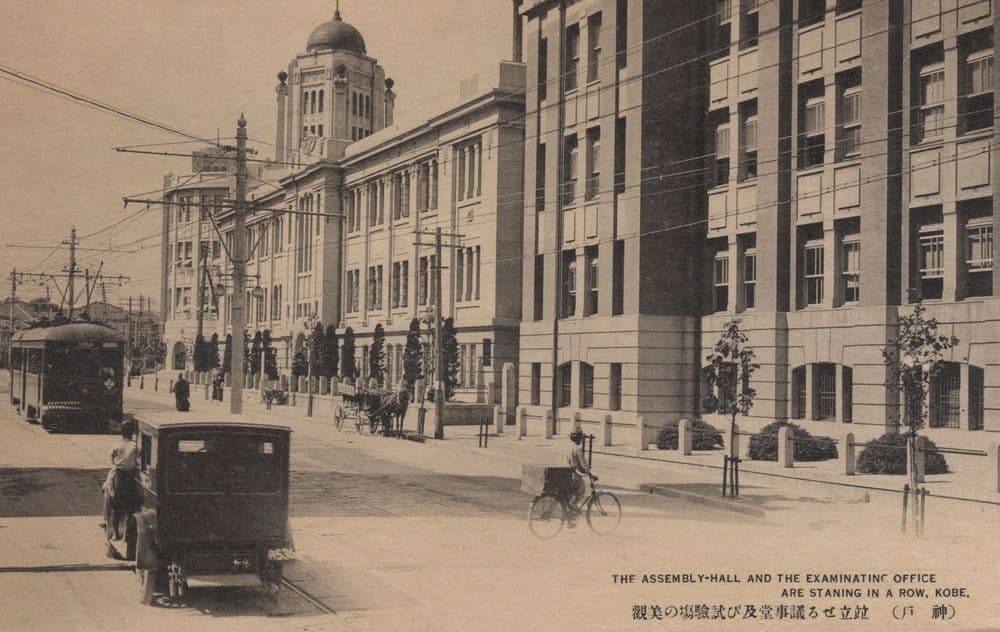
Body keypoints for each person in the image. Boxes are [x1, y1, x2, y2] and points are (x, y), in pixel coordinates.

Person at [101, 421, 140, 556]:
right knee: (130, 508)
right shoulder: (135, 446)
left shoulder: (116, 445)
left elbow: (112, 459)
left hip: (119, 476)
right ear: (132, 433)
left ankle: (115, 534)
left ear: (122, 432)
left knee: (115, 505)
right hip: (132, 477)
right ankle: (125, 537)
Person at [561, 429, 597, 526]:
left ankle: (569, 521)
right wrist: (590, 474)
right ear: (578, 438)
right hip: (571, 477)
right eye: (581, 438)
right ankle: (574, 506)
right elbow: (584, 465)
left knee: (567, 499)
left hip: (562, 476)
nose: (581, 440)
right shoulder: (577, 448)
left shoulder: (565, 447)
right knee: (581, 490)